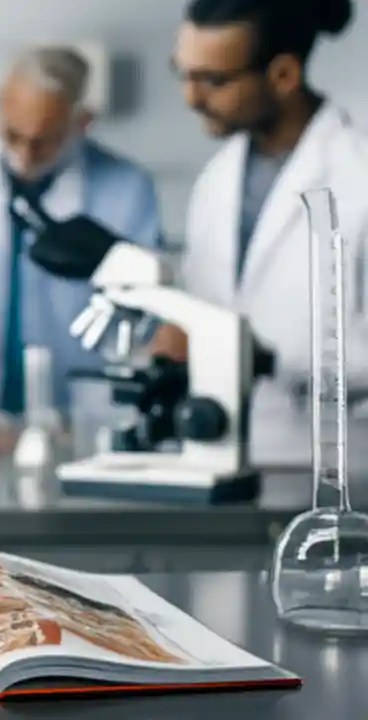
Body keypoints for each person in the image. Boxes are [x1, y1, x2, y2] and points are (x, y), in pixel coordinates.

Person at [158, 0, 368, 466]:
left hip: (339, 468)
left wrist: (268, 360)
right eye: (183, 73)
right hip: (232, 456)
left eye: (212, 80)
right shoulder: (217, 178)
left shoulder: (359, 178)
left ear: (284, 75)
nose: (191, 97)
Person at [0, 47, 163, 415]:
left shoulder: (126, 190)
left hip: (80, 408)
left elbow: (142, 317)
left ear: (81, 123)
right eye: (12, 135)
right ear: (0, 106)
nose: (24, 156)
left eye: (42, 142)